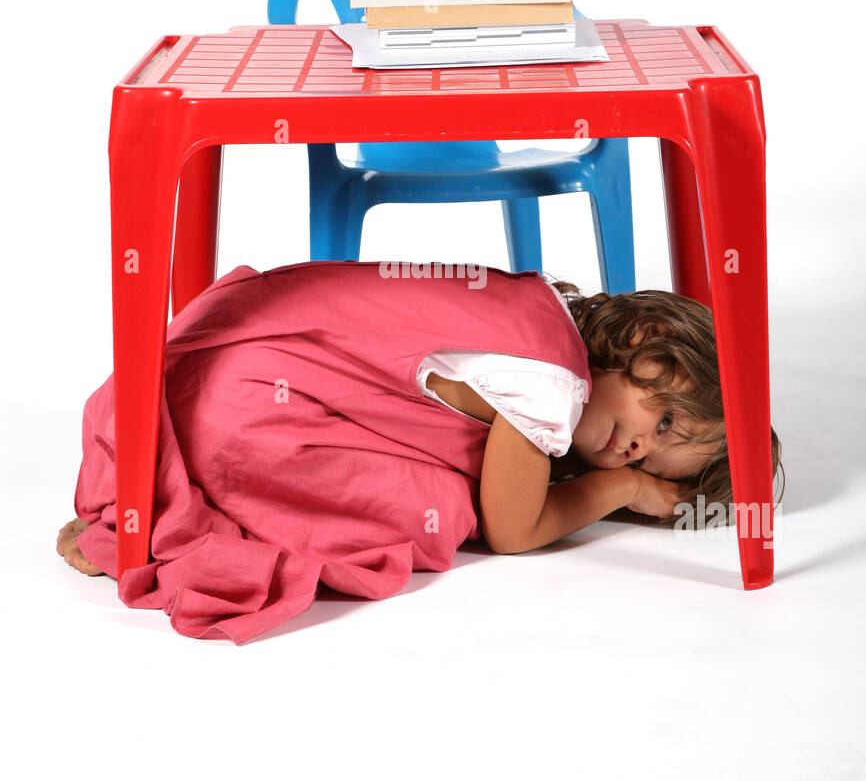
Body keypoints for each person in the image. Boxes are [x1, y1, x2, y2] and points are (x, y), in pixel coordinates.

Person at [57, 259, 783, 643]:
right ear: (637, 344)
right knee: (441, 508)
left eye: (651, 463)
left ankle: (143, 490)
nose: (631, 449)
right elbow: (515, 529)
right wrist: (618, 494)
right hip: (249, 417)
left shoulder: (536, 306)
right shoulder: (551, 388)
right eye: (660, 421)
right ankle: (154, 524)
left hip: (196, 366)